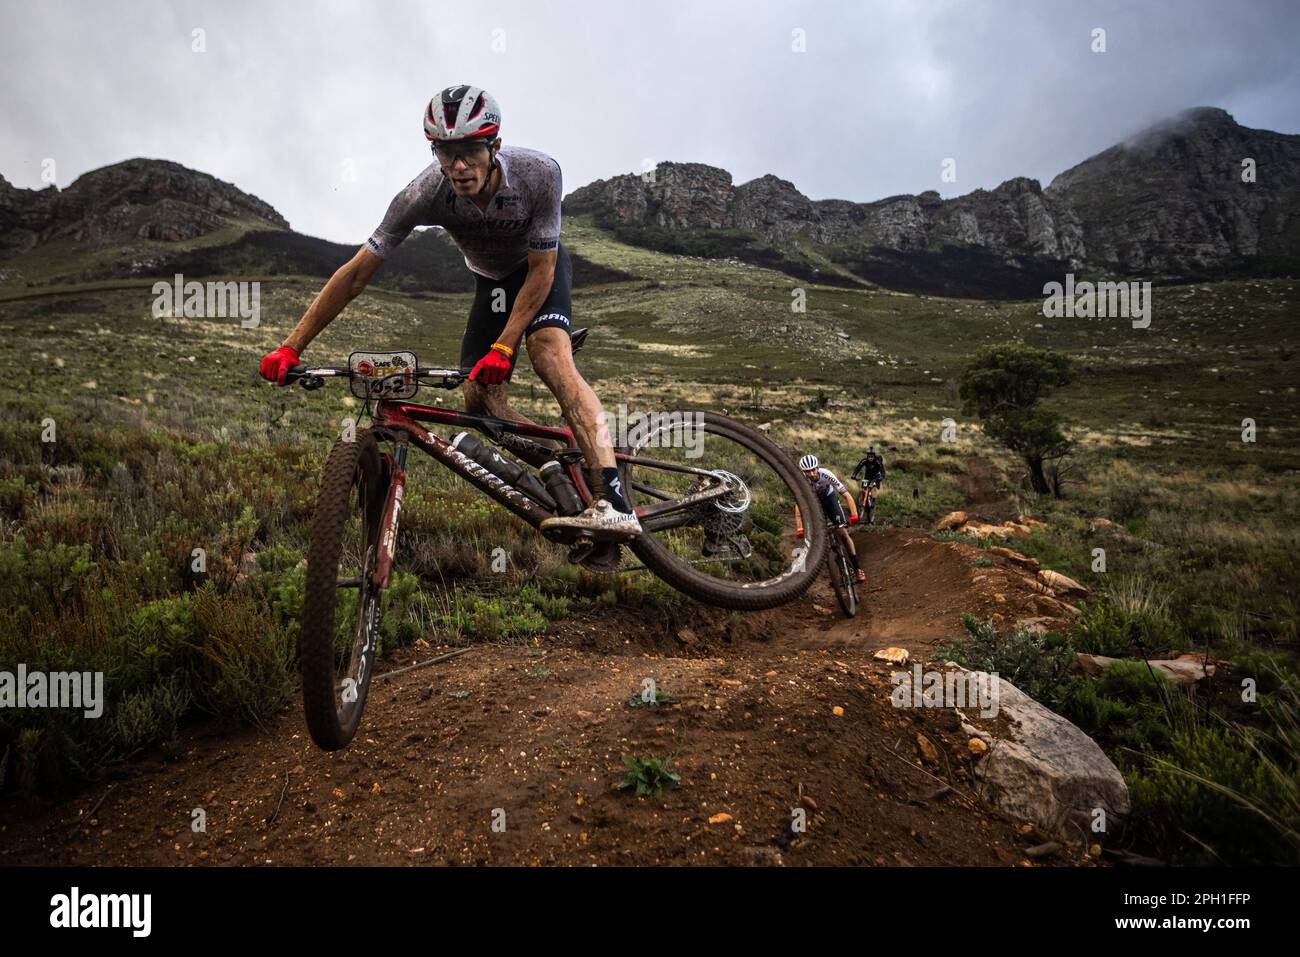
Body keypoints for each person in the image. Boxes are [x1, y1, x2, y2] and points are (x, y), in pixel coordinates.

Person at [258, 85, 639, 540]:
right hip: (490, 283)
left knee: (549, 356)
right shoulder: (423, 194)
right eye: (446, 152)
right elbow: (357, 273)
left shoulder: (538, 173)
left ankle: (615, 505)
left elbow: (542, 270)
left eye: (470, 152)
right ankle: (563, 463)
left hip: (539, 272)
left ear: (494, 147)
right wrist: (290, 346)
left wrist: (504, 344)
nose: (459, 166)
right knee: (479, 403)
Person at [794, 454, 866, 583]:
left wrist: (854, 514)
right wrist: (799, 528)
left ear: (817, 467)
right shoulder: (802, 482)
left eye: (813, 469)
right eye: (807, 471)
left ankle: (857, 568)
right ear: (803, 472)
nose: (811, 473)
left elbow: (846, 494)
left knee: (843, 534)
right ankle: (833, 571)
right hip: (815, 505)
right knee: (818, 539)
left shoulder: (826, 474)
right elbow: (798, 506)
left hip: (830, 499)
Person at [850, 447, 886, 521]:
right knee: (864, 488)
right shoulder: (864, 461)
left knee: (874, 487)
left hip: (876, 476)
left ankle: (873, 502)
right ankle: (863, 500)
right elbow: (858, 468)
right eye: (869, 456)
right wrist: (854, 475)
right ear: (867, 456)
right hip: (867, 476)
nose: (870, 458)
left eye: (872, 456)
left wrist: (881, 477)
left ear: (874, 456)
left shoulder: (877, 461)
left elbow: (882, 471)